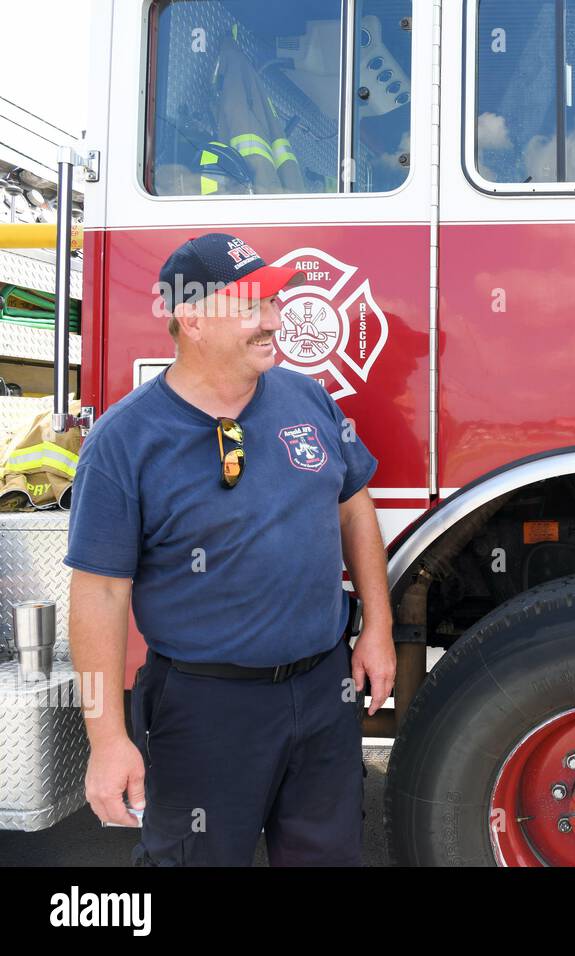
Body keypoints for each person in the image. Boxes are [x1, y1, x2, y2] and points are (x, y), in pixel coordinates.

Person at [67, 233, 395, 866]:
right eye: (253, 305)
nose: (275, 319)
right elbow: (100, 594)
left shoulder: (308, 399)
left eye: (274, 301)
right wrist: (106, 739)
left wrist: (376, 627)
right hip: (206, 708)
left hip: (323, 692)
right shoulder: (124, 439)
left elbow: (354, 506)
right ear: (192, 319)